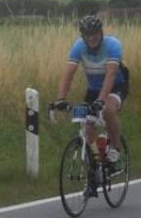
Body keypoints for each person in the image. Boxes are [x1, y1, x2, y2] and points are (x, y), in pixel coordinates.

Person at [54, 14, 127, 165]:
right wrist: (60, 99)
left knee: (108, 110)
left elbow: (110, 75)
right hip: (93, 88)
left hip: (116, 85)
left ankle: (115, 147)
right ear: (83, 36)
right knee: (87, 124)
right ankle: (96, 163)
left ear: (101, 33)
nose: (91, 38)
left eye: (94, 34)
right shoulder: (78, 46)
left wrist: (100, 101)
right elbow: (68, 75)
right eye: (87, 35)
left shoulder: (113, 45)